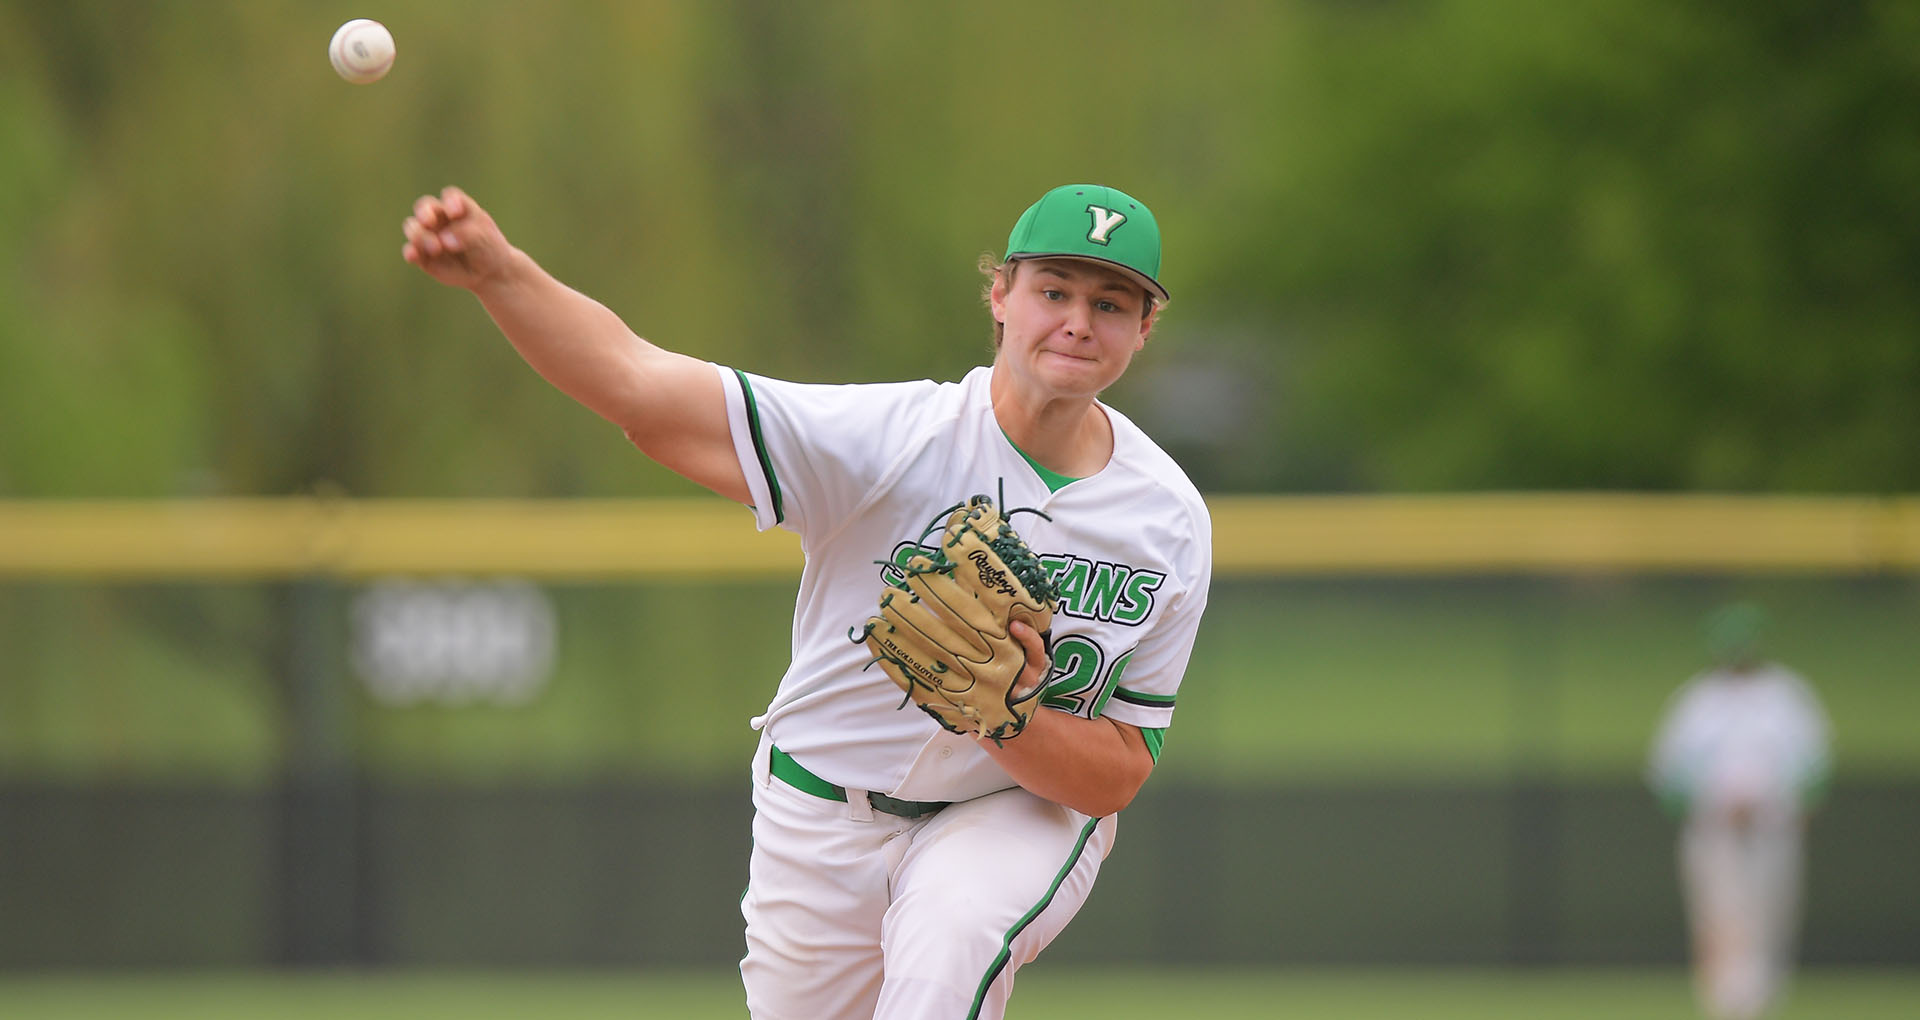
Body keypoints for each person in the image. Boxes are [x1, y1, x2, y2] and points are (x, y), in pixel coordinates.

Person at [402, 182, 1212, 1019]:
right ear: (1000, 296)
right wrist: (501, 274)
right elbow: (639, 390)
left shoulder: (1168, 521)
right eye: (1054, 291)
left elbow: (1117, 769)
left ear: (1144, 328)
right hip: (825, 811)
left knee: (952, 945)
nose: (1079, 321)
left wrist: (1006, 719)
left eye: (1112, 303)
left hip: (1014, 810)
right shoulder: (892, 441)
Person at [1647, 602, 1831, 1020]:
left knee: (1772, 915)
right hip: (1715, 831)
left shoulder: (1786, 697)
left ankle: (1764, 1002)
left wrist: (1794, 806)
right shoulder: (1696, 702)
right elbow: (1667, 776)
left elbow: (1815, 768)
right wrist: (1709, 809)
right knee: (1718, 917)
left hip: (1772, 827)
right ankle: (1723, 1005)